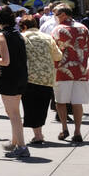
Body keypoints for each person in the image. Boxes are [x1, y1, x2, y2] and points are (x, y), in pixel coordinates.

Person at [0, 6, 28, 157]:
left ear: (0, 18)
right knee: (13, 112)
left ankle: (21, 146)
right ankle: (15, 143)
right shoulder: (16, 33)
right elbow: (12, 56)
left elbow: (6, 61)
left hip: (10, 77)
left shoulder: (2, 35)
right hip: (21, 75)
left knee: (13, 113)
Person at [51, 4, 89, 143]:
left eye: (57, 15)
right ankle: (77, 131)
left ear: (63, 14)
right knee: (77, 102)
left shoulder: (58, 30)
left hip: (61, 71)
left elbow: (52, 51)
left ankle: (64, 128)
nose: (55, 18)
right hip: (80, 71)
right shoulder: (83, 28)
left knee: (60, 101)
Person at [18, 15, 61, 145]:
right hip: (47, 77)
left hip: (30, 76)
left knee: (30, 106)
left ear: (24, 27)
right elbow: (58, 56)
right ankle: (39, 133)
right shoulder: (47, 37)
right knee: (42, 106)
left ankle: (38, 135)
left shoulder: (22, 37)